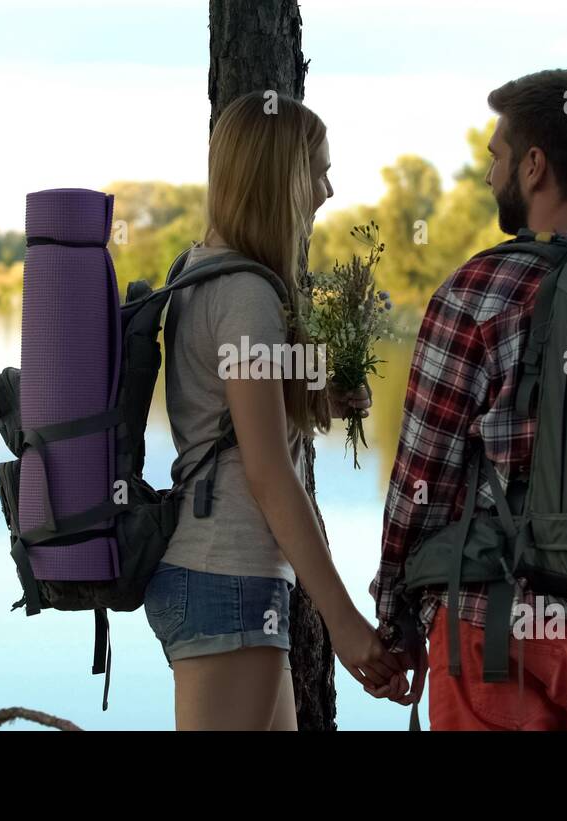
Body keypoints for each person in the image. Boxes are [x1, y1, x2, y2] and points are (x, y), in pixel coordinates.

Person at [371, 69, 567, 730]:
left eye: (496, 156)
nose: (488, 174)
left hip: (491, 633)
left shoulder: (481, 289)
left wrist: (394, 618)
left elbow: (422, 479)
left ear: (533, 166)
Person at [144, 90, 403, 730]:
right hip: (227, 578)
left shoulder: (201, 271)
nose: (329, 189)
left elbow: (226, 407)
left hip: (223, 579)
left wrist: (315, 395)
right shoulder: (247, 296)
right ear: (282, 177)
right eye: (318, 170)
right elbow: (267, 472)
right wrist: (344, 625)